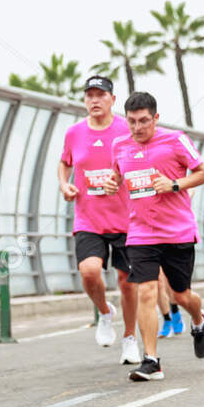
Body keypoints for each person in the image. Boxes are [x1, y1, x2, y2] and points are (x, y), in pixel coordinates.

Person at [107, 92, 204, 380]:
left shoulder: (175, 140)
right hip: (140, 232)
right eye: (131, 122)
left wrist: (175, 184)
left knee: (180, 294)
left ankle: (198, 319)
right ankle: (151, 360)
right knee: (147, 291)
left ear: (155, 118)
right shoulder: (119, 145)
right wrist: (110, 184)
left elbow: (203, 174)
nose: (137, 128)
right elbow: (118, 177)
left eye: (143, 121)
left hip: (177, 230)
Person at [59, 75, 141, 364]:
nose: (94, 100)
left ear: (112, 100)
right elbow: (65, 162)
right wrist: (64, 184)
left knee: (128, 282)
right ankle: (105, 312)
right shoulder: (74, 133)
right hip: (88, 218)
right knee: (90, 272)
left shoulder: (125, 130)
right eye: (89, 95)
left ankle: (130, 338)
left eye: (100, 95)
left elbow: (141, 163)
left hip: (126, 219)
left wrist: (121, 182)